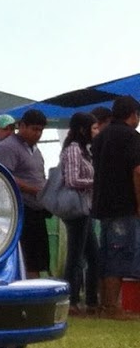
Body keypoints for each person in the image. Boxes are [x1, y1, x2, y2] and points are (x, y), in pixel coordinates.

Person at [91, 94, 140, 319]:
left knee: (107, 253)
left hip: (103, 203)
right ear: (133, 115)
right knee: (120, 254)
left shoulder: (101, 137)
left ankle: (104, 304)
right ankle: (112, 307)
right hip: (124, 203)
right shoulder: (132, 137)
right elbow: (138, 171)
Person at [0, 107, 49, 277]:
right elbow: (3, 175)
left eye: (40, 130)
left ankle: (35, 296)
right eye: (34, 129)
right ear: (21, 126)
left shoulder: (35, 150)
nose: (37, 134)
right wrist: (32, 189)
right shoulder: (8, 147)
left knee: (36, 259)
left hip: (37, 209)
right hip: (19, 209)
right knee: (26, 257)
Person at [58, 110, 100, 315]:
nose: (97, 131)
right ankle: (71, 301)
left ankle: (92, 300)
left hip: (86, 207)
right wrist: (96, 182)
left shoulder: (85, 150)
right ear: (83, 130)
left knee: (93, 256)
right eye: (93, 128)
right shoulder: (74, 150)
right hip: (76, 209)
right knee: (75, 257)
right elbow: (72, 180)